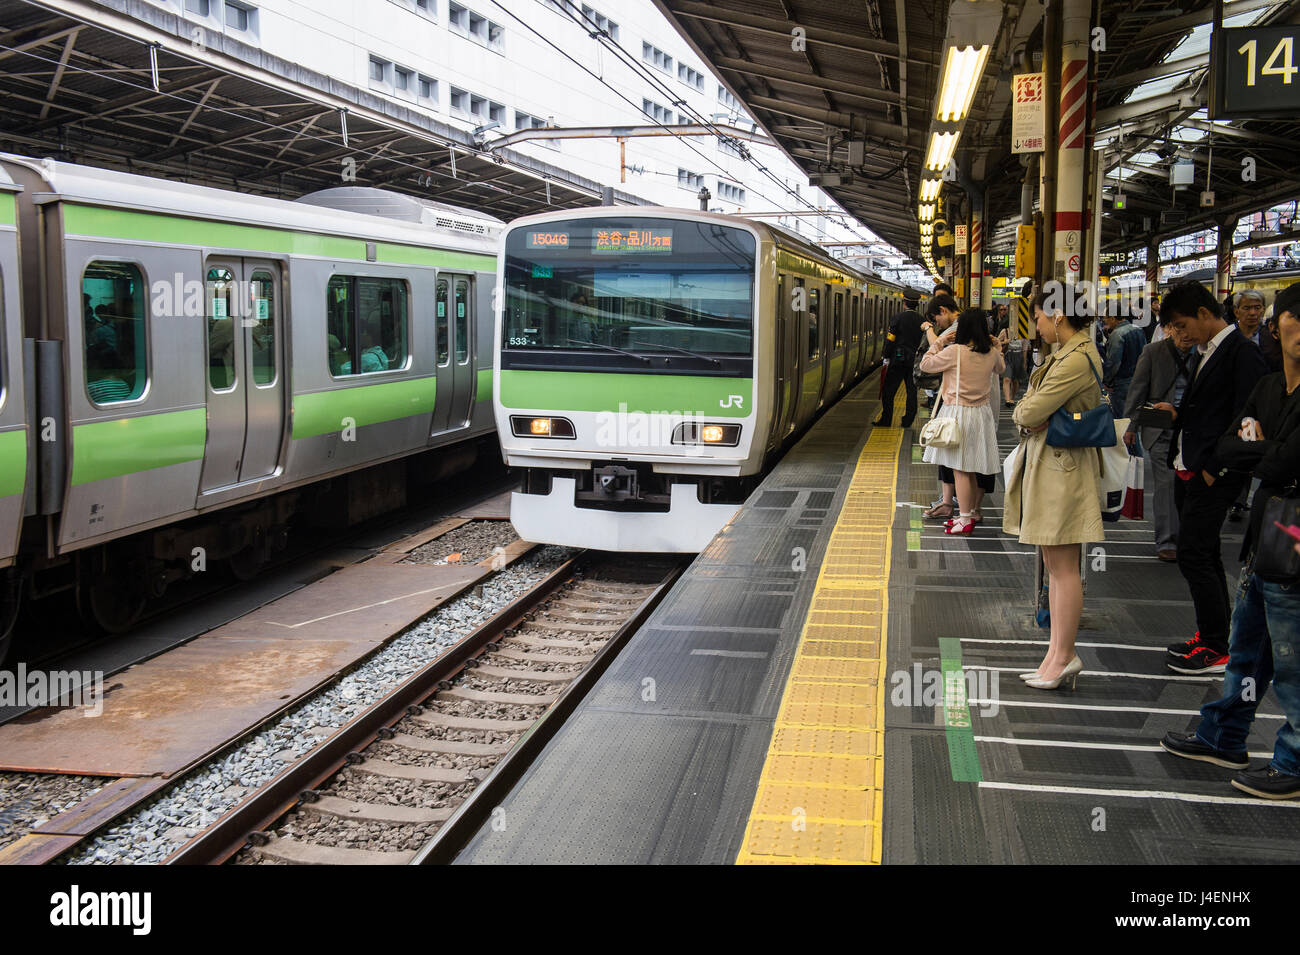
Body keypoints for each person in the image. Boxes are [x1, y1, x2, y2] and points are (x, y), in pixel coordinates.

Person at [1160, 282, 1300, 799]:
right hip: (1266, 534)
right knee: (1248, 651)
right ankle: (1225, 734)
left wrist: (1254, 451)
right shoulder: (1269, 390)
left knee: (1292, 660)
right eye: (1295, 320)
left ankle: (1294, 761)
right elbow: (1234, 444)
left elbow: (1281, 459)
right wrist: (1258, 451)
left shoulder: (1258, 375)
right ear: (1278, 324)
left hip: (1295, 540)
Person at [1153, 281, 1268, 674]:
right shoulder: (1208, 351)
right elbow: (1210, 408)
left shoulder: (1241, 354)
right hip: (1192, 469)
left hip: (1212, 475)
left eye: (1182, 325)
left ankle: (1217, 646)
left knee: (1195, 554)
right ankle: (1212, 636)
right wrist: (1177, 415)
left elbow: (1246, 420)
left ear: (1204, 314)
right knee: (1202, 556)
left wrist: (1212, 469)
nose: (1180, 334)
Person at [1003, 292, 1106, 691]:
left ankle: (1064, 656)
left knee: (1063, 571)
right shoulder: (1069, 354)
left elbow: (1028, 411)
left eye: (1040, 316)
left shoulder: (1076, 358)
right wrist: (1031, 416)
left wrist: (1028, 415)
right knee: (1056, 566)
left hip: (1063, 471)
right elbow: (1032, 412)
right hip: (1055, 467)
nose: (1037, 324)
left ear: (1059, 315)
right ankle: (1054, 654)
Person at [918, 308, 1004, 535]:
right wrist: (997, 346)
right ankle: (973, 511)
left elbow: (925, 365)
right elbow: (1001, 368)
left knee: (961, 469)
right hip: (981, 414)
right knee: (972, 467)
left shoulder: (954, 351)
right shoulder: (991, 354)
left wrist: (939, 342)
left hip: (958, 413)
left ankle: (965, 518)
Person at [1123, 326, 1199, 561]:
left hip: (1193, 429)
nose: (1186, 333)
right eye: (1179, 328)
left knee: (1190, 485)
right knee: (1166, 485)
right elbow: (1138, 389)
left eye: (1188, 326)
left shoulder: (1204, 353)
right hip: (1160, 427)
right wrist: (1130, 425)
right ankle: (1168, 541)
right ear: (1168, 329)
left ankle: (1188, 537)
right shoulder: (1153, 352)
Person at [875, 290, 924, 428]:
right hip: (914, 361)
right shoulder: (922, 320)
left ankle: (886, 420)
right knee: (911, 391)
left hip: (898, 359)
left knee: (888, 391)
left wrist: (886, 356)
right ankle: (908, 420)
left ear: (904, 303)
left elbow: (891, 339)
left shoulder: (897, 318)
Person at [1101, 313, 1145, 418]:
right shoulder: (1138, 329)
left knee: (1121, 419)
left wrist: (1107, 382)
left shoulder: (1117, 334)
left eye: (1106, 319)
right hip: (1137, 379)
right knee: (1133, 419)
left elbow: (1114, 362)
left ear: (1112, 318)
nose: (1105, 322)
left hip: (1121, 383)